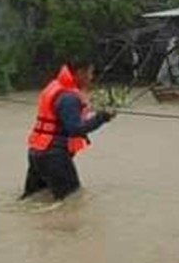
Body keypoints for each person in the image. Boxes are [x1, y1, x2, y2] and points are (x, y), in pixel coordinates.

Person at [21, 59, 115, 201]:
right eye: (90, 73)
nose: (91, 77)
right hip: (54, 156)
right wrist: (102, 117)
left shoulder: (54, 86)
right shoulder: (69, 98)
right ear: (80, 73)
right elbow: (76, 129)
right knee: (72, 199)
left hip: (37, 152)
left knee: (33, 199)